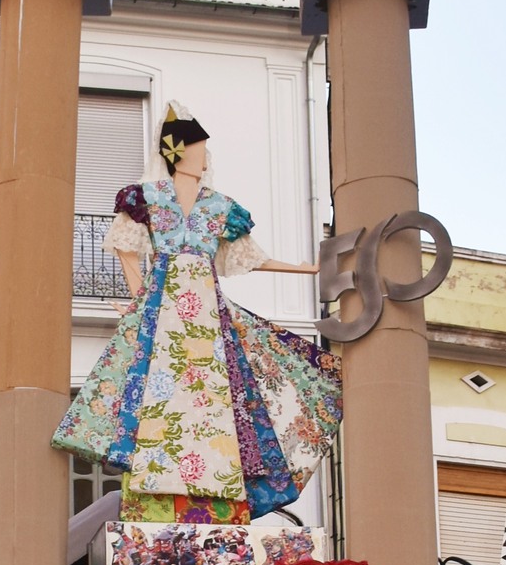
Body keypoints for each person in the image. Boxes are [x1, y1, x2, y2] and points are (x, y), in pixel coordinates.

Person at [54, 105, 341, 526]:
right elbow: (125, 247)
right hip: (163, 307)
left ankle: (212, 485)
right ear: (180, 151)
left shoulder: (219, 206)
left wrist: (303, 269)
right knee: (158, 392)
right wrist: (139, 299)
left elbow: (248, 257)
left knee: (222, 394)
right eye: (200, 149)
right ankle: (159, 489)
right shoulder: (147, 198)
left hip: (207, 309)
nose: (206, 158)